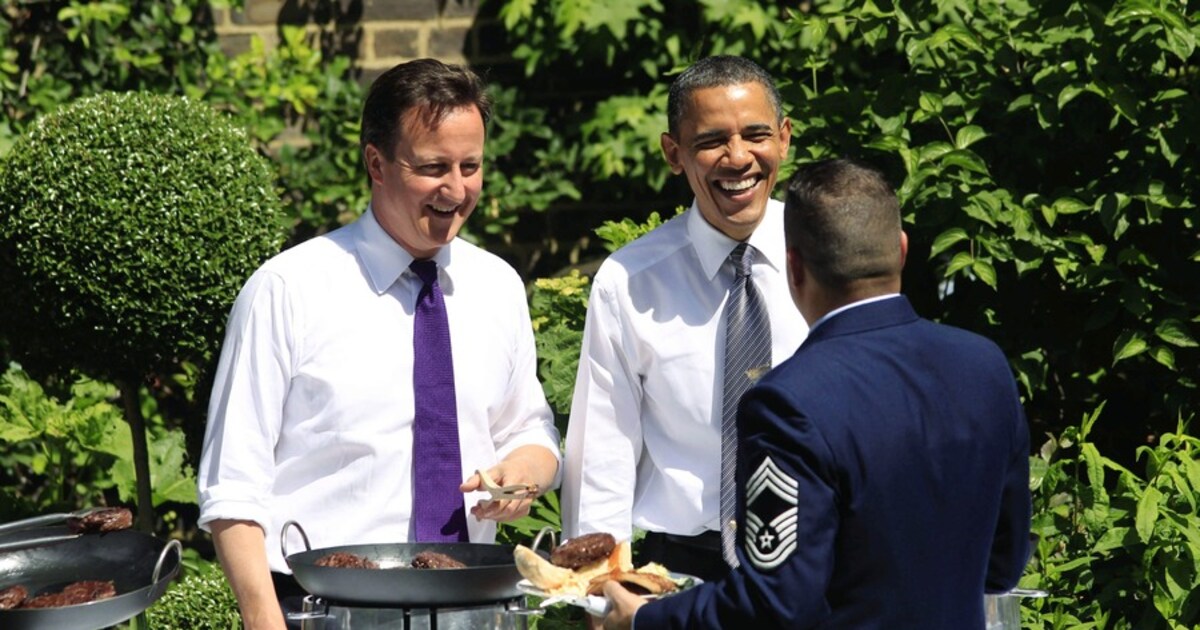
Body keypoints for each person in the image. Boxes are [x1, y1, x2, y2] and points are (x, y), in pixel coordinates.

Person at [196, 59, 561, 630]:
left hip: (473, 608)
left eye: (471, 166)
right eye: (434, 167)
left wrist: (526, 470)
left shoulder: (497, 285)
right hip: (323, 608)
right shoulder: (288, 290)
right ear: (376, 163)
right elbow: (233, 487)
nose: (456, 189)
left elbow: (531, 430)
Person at [601, 158, 1032, 628]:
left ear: (794, 268)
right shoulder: (984, 366)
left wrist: (648, 618)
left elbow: (777, 601)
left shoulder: (788, 401)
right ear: (903, 250)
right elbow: (1002, 564)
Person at [561, 55, 809, 583]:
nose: (738, 157)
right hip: (680, 575)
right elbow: (604, 453)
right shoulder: (628, 282)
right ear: (674, 153)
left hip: (819, 563)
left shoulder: (827, 257)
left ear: (784, 139)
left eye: (756, 134)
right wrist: (602, 589)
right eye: (712, 141)